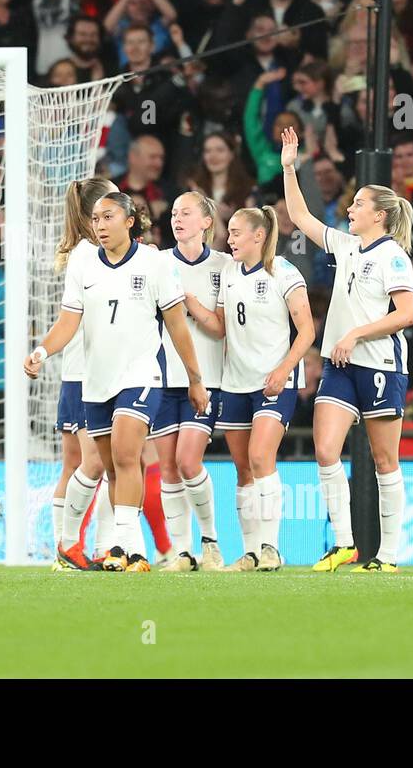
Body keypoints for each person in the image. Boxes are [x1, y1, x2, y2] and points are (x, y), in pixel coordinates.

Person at [25, 192, 206, 571]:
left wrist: (195, 379)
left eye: (108, 217)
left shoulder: (153, 263)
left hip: (140, 375)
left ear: (129, 221)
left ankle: (131, 551)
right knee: (110, 468)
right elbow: (68, 322)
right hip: (96, 381)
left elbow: (176, 325)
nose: (100, 225)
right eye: (95, 219)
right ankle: (116, 550)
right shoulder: (83, 263)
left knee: (126, 456)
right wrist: (42, 351)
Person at [281, 127, 413, 574]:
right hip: (342, 364)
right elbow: (299, 216)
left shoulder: (394, 256)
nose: (350, 208)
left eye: (358, 203)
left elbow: (406, 314)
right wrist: (288, 165)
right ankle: (344, 543)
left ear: (379, 215)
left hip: (379, 365)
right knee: (325, 450)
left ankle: (390, 555)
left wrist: (356, 332)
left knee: (383, 459)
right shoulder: (345, 243)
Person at [182, 206, 312, 572]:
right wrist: (188, 302)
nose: (230, 239)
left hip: (274, 381)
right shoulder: (228, 274)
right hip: (235, 383)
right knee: (243, 469)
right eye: (230, 232)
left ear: (259, 236)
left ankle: (271, 547)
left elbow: (307, 332)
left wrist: (284, 369)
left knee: (260, 457)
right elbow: (220, 326)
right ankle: (252, 551)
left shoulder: (283, 272)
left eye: (237, 233)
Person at [37, 178, 115, 571]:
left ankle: (81, 548)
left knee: (79, 465)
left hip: (80, 373)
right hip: (89, 375)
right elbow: (73, 318)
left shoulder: (88, 252)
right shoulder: (90, 254)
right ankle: (76, 547)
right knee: (99, 464)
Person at [151, 192, 228, 572]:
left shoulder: (224, 266)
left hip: (206, 379)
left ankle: (211, 542)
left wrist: (190, 303)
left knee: (188, 461)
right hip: (163, 378)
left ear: (206, 222)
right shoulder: (158, 263)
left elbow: (219, 329)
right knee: (167, 467)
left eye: (186, 213)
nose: (177, 218)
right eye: (174, 212)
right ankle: (181, 552)